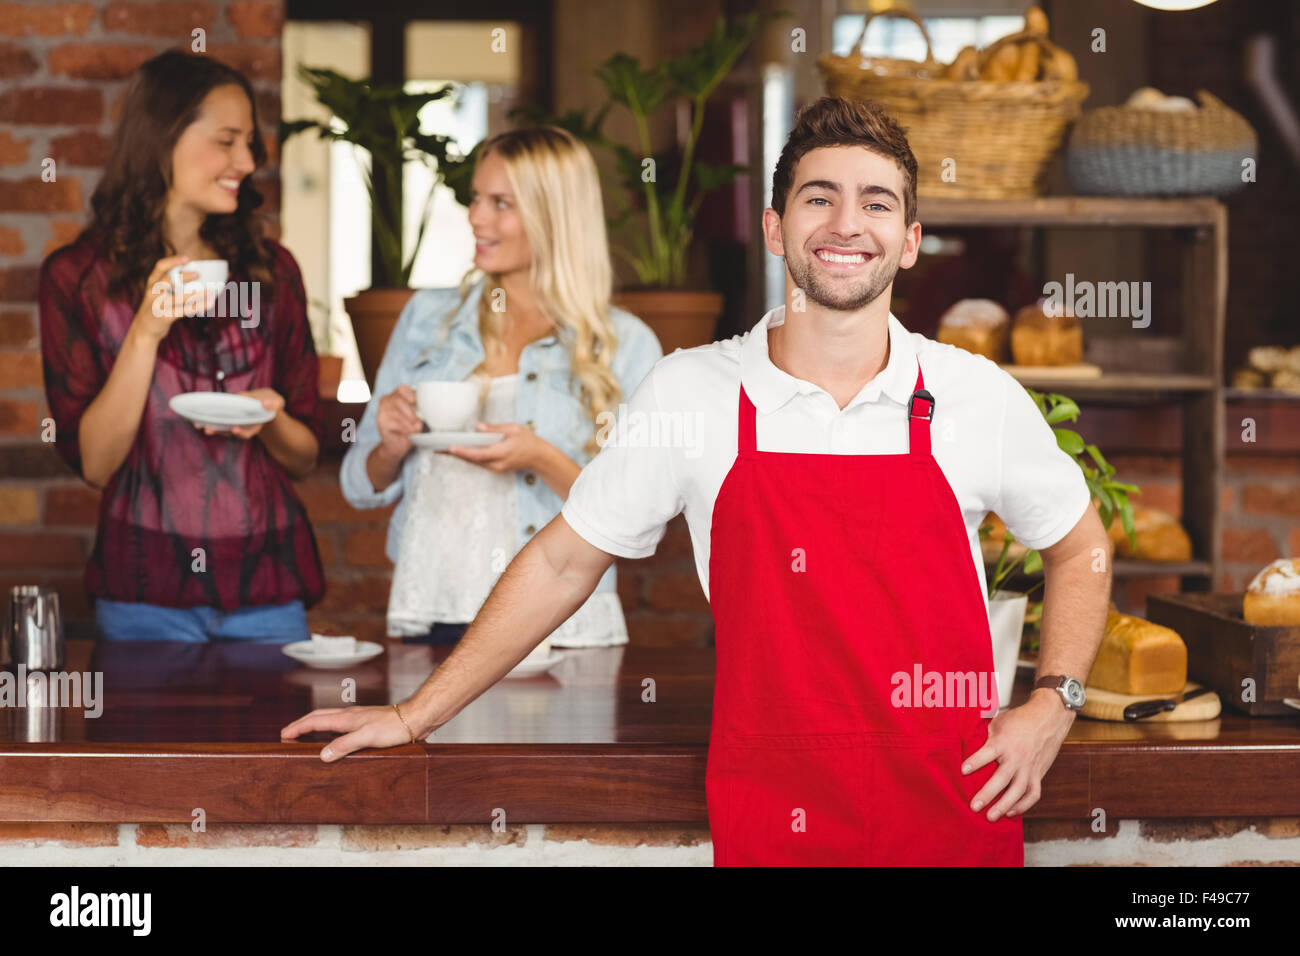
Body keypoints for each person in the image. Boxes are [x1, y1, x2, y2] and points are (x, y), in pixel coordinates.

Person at [283, 97, 1112, 867]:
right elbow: (564, 562)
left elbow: (1081, 547)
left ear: (910, 239)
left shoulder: (978, 396)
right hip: (774, 817)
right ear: (776, 228)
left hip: (954, 811)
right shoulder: (693, 393)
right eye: (819, 198)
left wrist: (1054, 703)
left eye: (877, 203)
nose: (847, 223)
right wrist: (413, 713)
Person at [39, 50, 326, 643]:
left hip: (269, 593)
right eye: (226, 141)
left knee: (279, 738)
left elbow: (304, 456)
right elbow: (96, 463)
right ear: (163, 138)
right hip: (143, 595)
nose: (246, 161)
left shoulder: (273, 272)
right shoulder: (78, 278)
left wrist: (269, 420)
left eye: (250, 142)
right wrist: (145, 331)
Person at [338, 127, 662, 647]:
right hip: (434, 614)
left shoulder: (625, 344)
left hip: (561, 625)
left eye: (500, 203)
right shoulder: (426, 317)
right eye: (476, 199)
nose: (476, 217)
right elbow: (359, 485)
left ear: (554, 218)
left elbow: (644, 520)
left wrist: (540, 457)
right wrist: (390, 445)